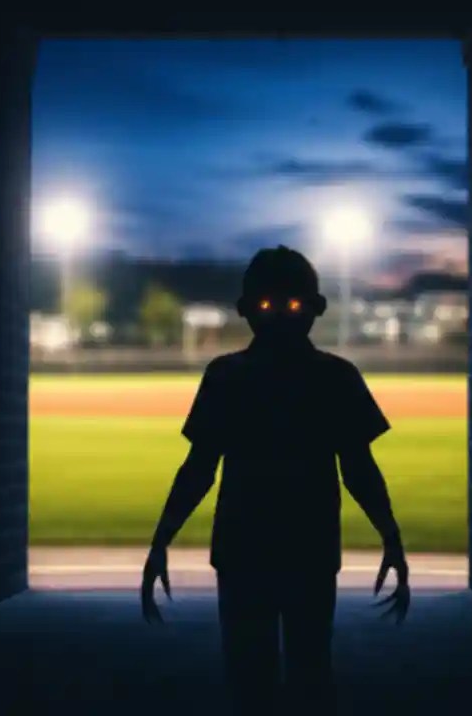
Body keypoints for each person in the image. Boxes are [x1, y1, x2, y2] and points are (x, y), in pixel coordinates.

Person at [141, 245, 410, 715]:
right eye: (273, 307)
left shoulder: (226, 375)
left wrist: (162, 540)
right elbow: (359, 469)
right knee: (309, 673)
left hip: (244, 550)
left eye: (289, 306)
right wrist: (391, 536)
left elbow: (200, 467)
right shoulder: (335, 376)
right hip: (310, 548)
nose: (282, 317)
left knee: (250, 680)